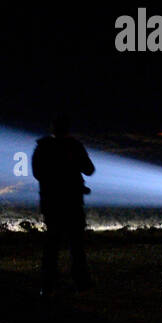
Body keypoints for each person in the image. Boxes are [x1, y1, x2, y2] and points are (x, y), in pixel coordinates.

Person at [32, 114, 96, 296]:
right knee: (76, 245)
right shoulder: (75, 146)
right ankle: (81, 282)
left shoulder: (42, 147)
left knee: (52, 245)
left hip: (52, 202)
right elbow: (89, 169)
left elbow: (38, 173)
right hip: (72, 202)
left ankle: (48, 285)